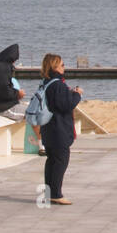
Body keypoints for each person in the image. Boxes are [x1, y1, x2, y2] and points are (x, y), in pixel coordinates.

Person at [39, 54, 82, 205]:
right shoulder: (58, 84)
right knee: (60, 161)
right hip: (58, 129)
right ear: (55, 66)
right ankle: (56, 194)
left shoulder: (46, 82)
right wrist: (77, 95)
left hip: (48, 128)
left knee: (52, 161)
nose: (64, 67)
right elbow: (65, 105)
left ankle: (50, 193)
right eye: (62, 65)